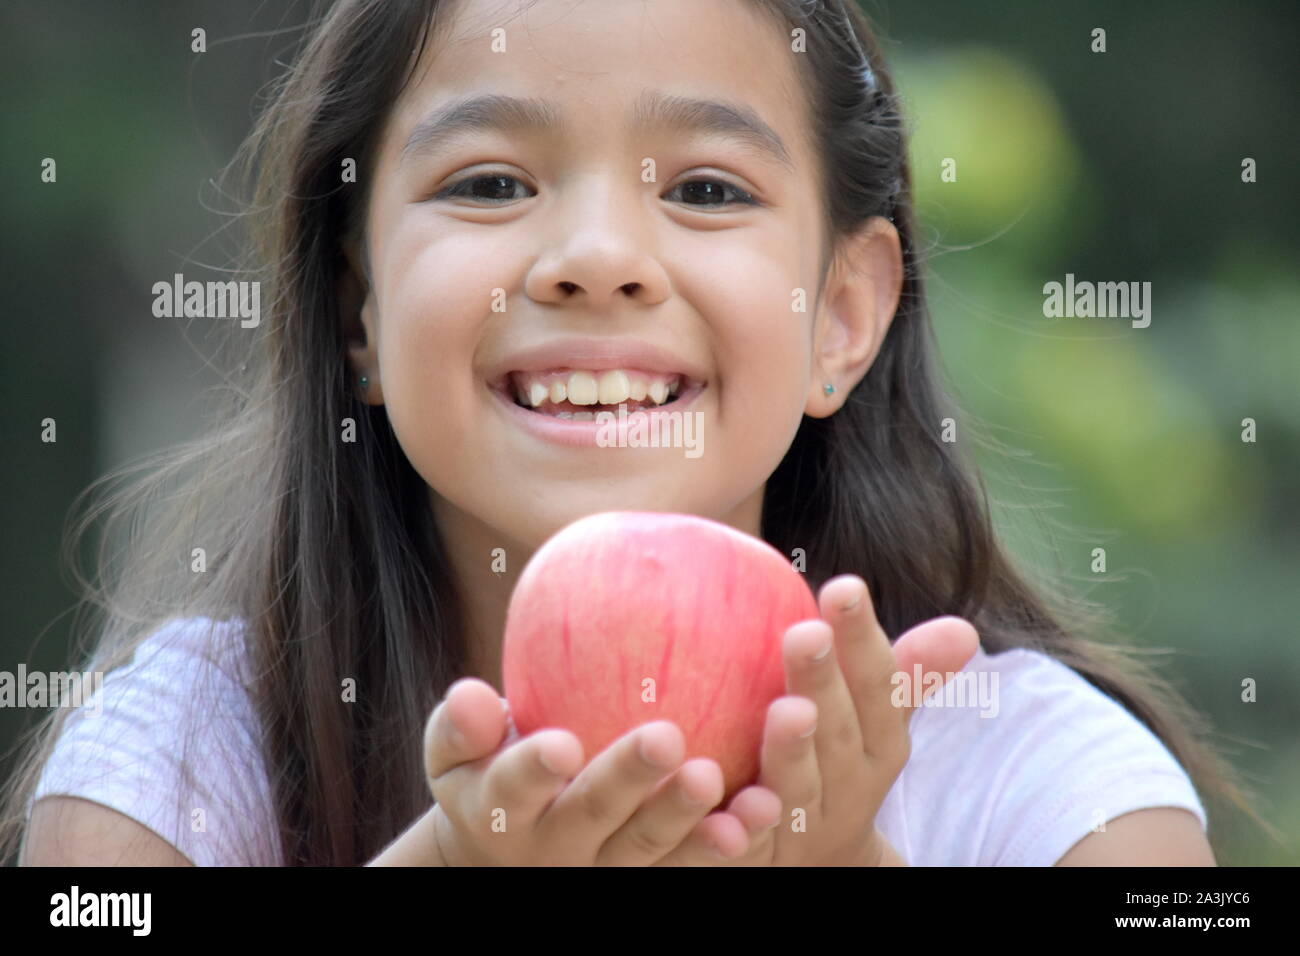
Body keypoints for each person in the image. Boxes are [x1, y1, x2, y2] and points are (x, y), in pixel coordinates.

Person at [4, 0, 1267, 867]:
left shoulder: (1047, 778)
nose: (598, 259)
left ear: (840, 314)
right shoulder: (179, 742)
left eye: (707, 188)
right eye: (490, 183)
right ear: (360, 312)